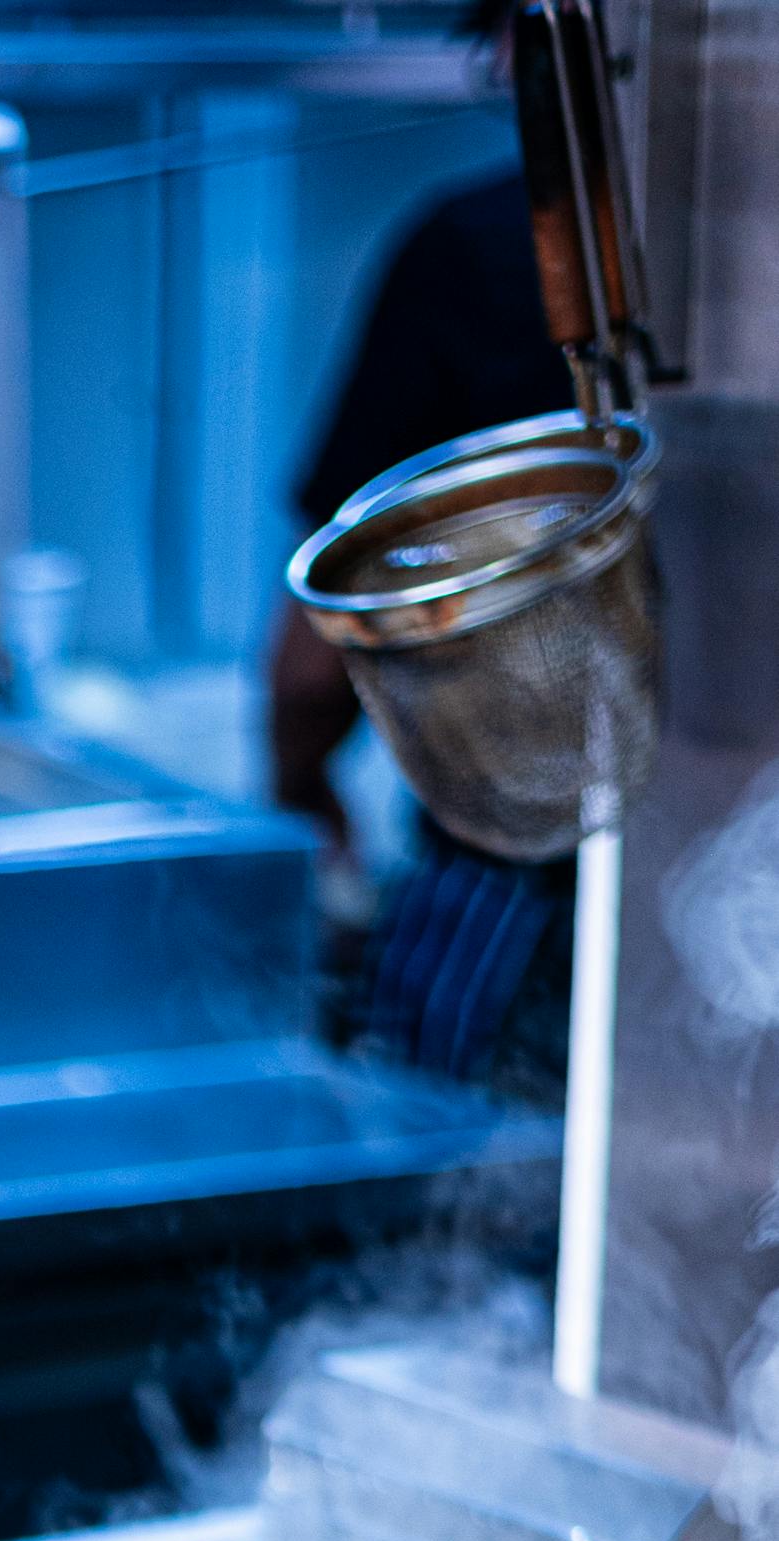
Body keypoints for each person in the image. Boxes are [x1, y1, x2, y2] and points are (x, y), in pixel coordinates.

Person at [268, 102, 580, 1088]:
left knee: (436, 1163)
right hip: (738, 901)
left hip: (505, 886)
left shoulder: (479, 250)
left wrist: (301, 786)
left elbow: (321, 648)